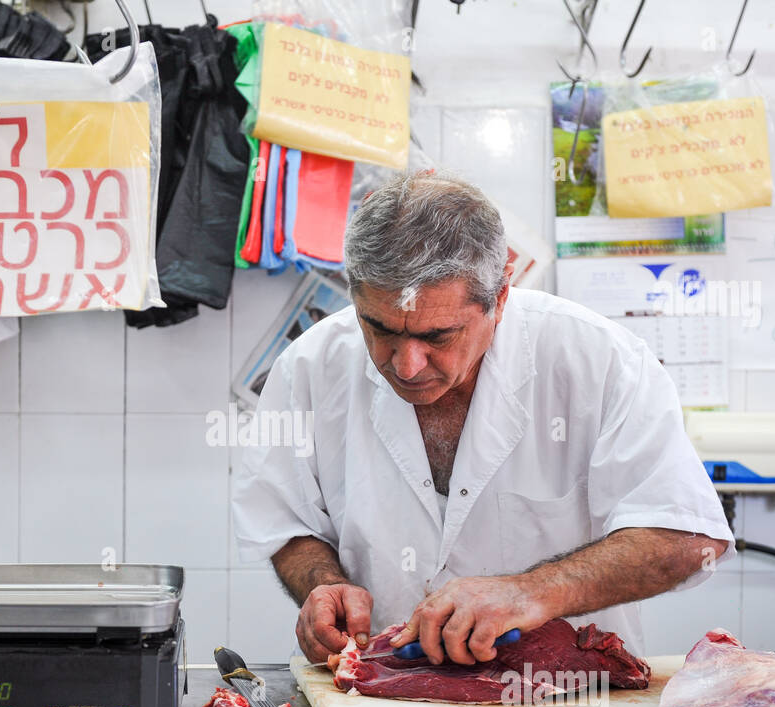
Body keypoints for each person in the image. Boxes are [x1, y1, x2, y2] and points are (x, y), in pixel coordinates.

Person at [231, 171, 733, 666]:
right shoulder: (310, 366)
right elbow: (287, 520)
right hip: (376, 695)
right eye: (378, 327)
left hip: (563, 702)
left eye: (438, 336)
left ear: (500, 299)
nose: (406, 366)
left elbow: (686, 537)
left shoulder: (600, 361)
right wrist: (324, 586)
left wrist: (531, 593)